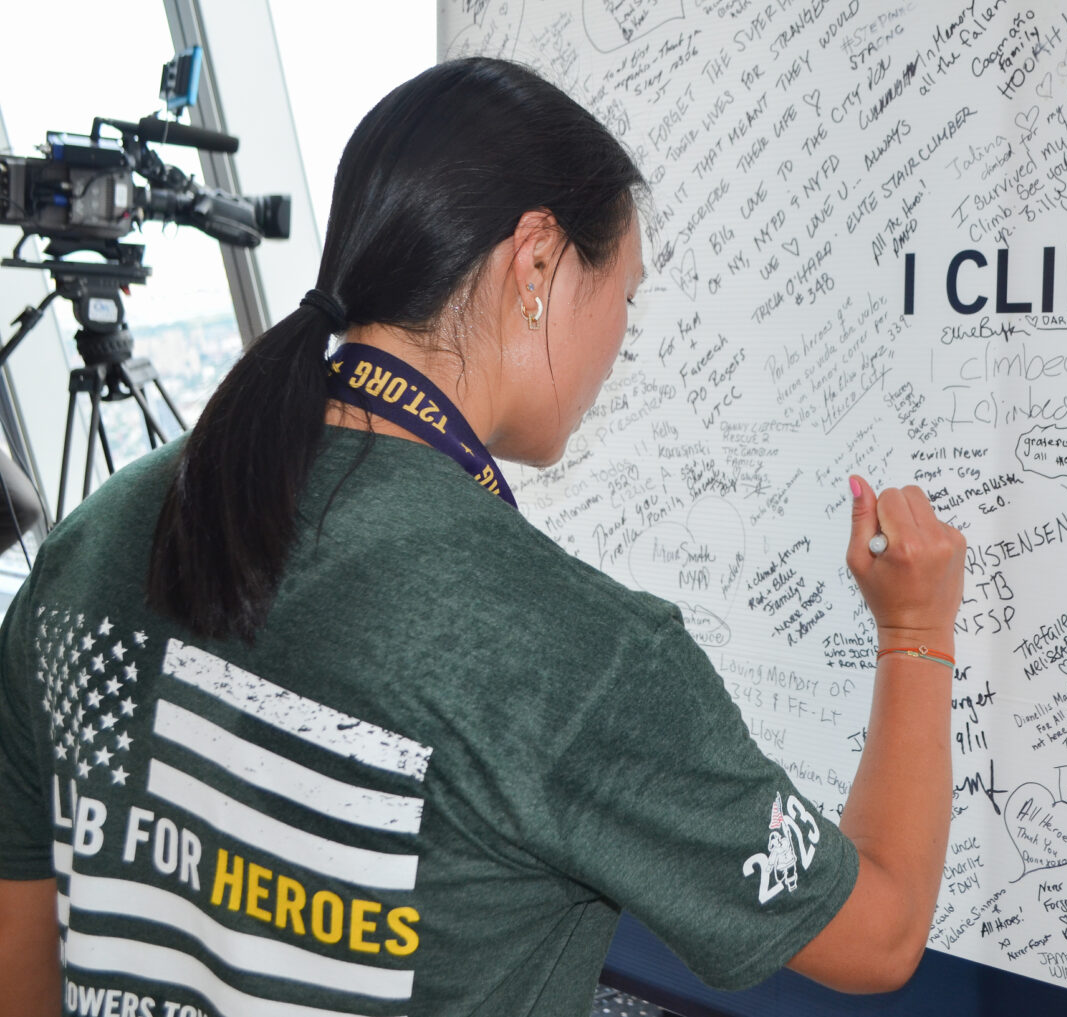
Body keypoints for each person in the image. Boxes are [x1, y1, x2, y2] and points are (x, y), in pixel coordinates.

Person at [0, 58, 965, 1016]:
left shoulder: (94, 539)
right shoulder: (578, 656)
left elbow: (22, 957)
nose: (621, 343)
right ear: (537, 264)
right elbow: (875, 936)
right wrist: (915, 629)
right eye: (625, 295)